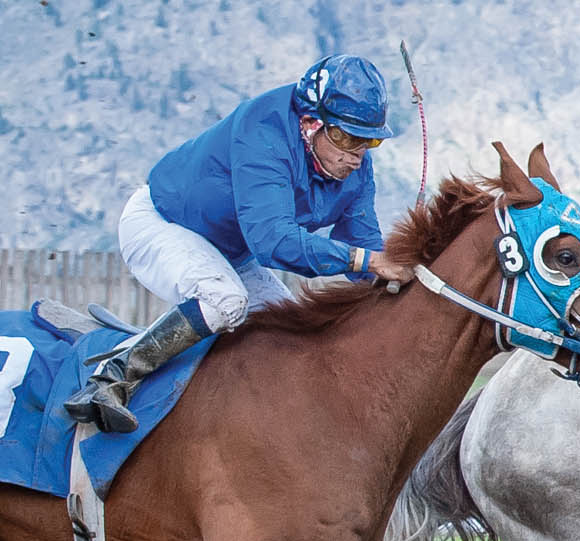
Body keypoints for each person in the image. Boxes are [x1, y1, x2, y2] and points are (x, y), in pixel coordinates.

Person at [66, 54, 415, 434]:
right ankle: (110, 379)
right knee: (225, 301)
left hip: (230, 251)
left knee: (287, 330)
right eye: (346, 138)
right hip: (161, 223)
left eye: (369, 141)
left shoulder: (356, 167)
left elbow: (363, 246)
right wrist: (366, 260)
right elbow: (273, 241)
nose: (356, 155)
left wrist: (402, 277)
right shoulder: (264, 132)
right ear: (310, 122)